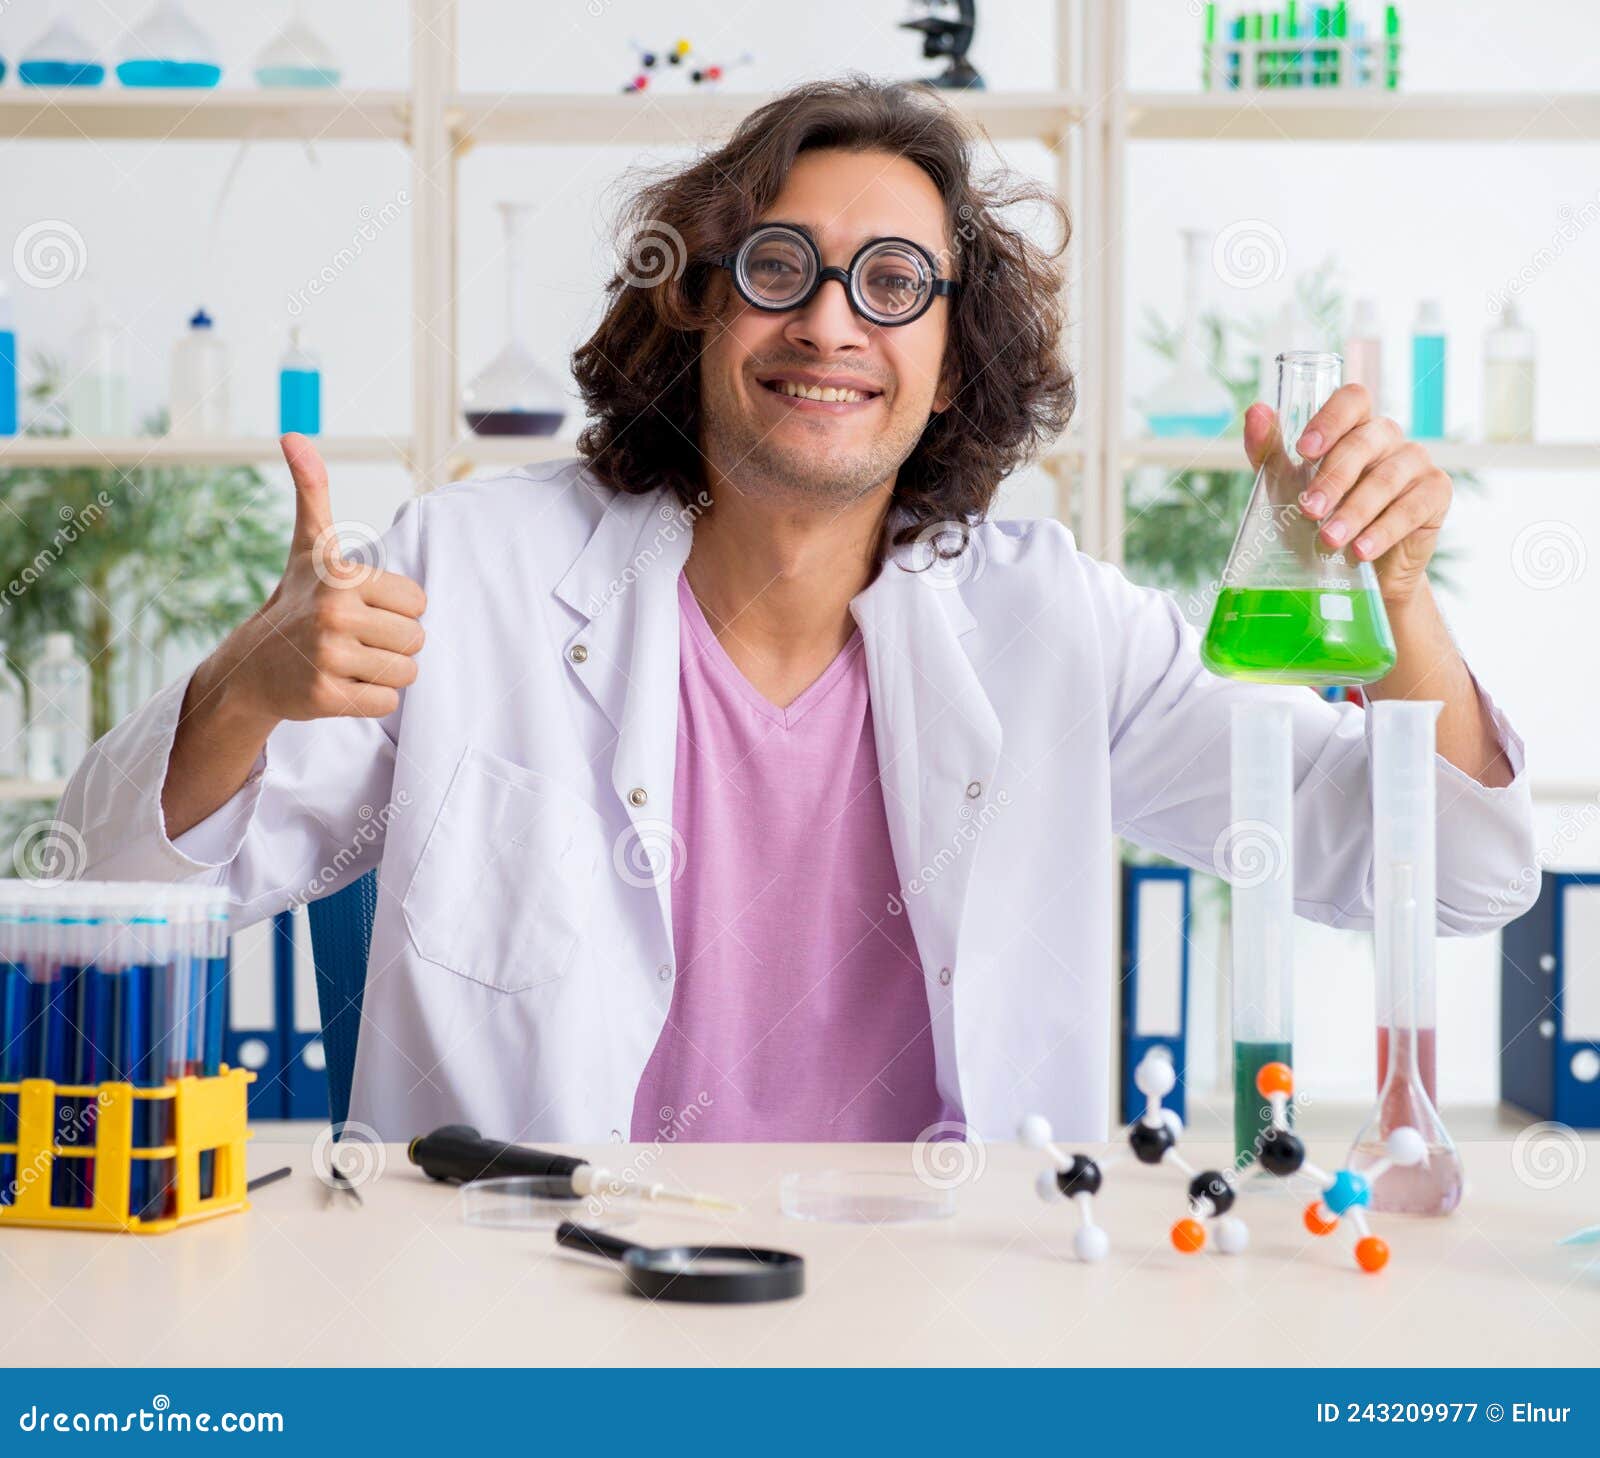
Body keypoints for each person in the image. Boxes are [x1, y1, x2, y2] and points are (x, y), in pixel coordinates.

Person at [58, 77, 1535, 1144]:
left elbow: (1455, 877)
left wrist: (1397, 601)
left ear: (955, 363)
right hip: (529, 1308)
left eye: (896, 284)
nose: (832, 322)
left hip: (949, 1312)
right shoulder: (473, 572)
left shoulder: (1057, 630)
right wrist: (245, 689)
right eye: (781, 270)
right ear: (695, 312)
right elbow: (113, 906)